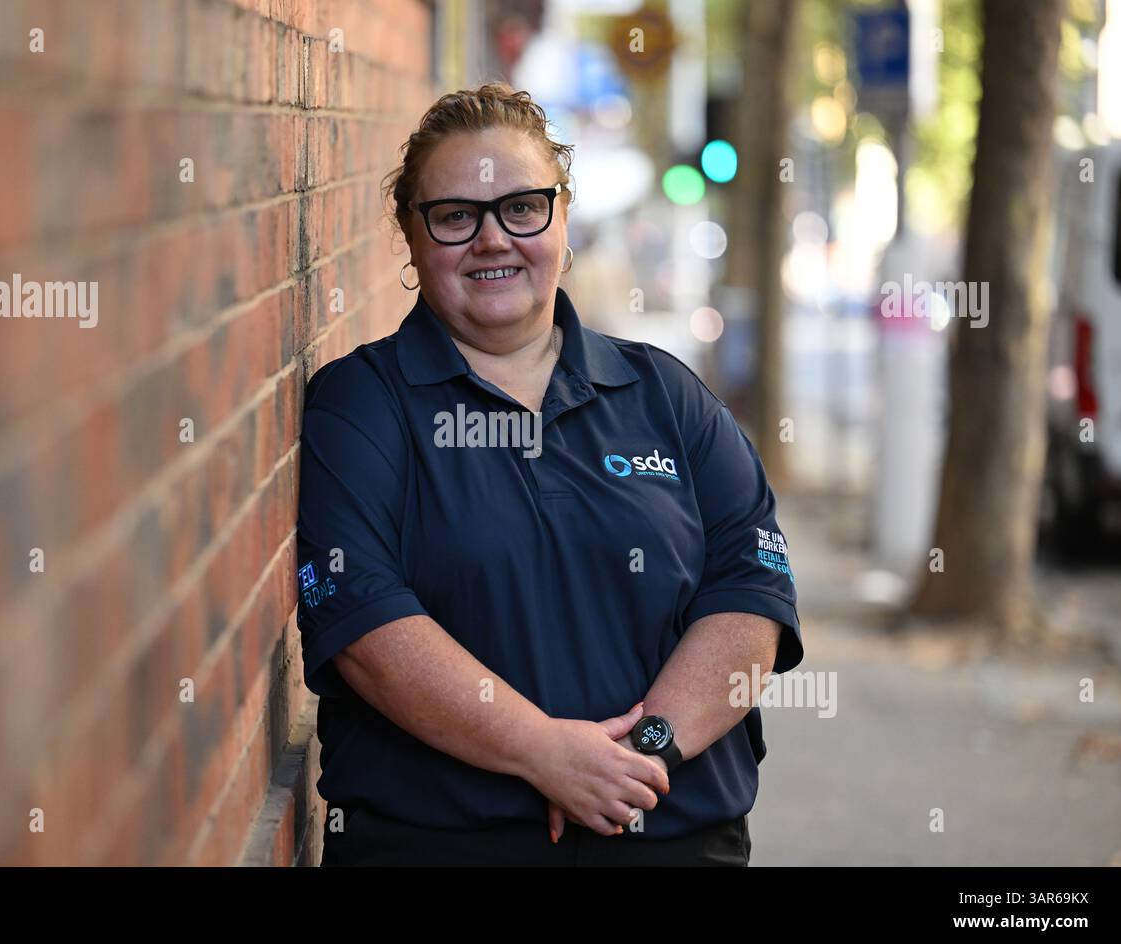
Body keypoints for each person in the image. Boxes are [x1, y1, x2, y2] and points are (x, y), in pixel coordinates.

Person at [296, 82, 803, 866]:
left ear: (563, 217)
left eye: (523, 207)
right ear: (411, 234)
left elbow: (752, 593)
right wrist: (544, 754)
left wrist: (642, 755)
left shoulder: (666, 396)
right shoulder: (362, 406)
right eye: (457, 215)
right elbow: (363, 623)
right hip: (445, 848)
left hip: (671, 838)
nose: (493, 239)